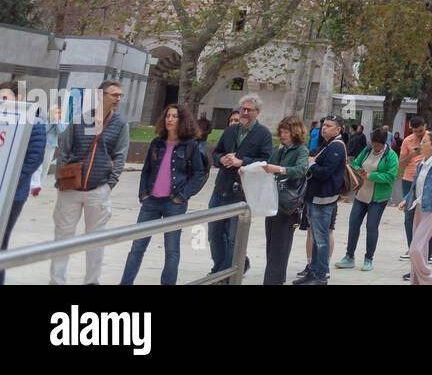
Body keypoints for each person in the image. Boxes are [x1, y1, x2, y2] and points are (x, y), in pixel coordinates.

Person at [50, 79, 129, 285]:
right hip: (71, 189)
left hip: (98, 189)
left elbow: (120, 155)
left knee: (96, 239)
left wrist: (110, 183)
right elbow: (65, 149)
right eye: (114, 95)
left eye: (120, 95)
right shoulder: (80, 120)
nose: (118, 99)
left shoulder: (120, 124)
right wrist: (62, 178)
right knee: (63, 236)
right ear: (101, 95)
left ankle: (92, 281)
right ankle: (57, 280)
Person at [120, 104, 209, 285]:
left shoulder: (190, 145)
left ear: (182, 120)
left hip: (174, 203)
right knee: (137, 246)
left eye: (174, 116)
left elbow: (199, 173)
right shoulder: (157, 143)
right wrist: (143, 193)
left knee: (171, 249)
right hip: (151, 202)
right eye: (168, 116)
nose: (170, 119)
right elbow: (146, 170)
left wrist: (182, 196)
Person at [207, 93, 272, 279]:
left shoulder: (263, 134)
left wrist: (241, 162)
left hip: (243, 194)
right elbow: (217, 152)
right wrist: (222, 159)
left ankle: (227, 275)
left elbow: (266, 160)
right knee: (214, 234)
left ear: (257, 112)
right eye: (242, 108)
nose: (244, 112)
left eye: (248, 110)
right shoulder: (231, 130)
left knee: (233, 238)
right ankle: (219, 269)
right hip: (221, 189)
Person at [0, 80, 47, 286]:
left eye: (4, 98)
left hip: (13, 194)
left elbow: (34, 158)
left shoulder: (34, 124)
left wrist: (9, 179)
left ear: (18, 99)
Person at [337, 128, 399, 271]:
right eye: (373, 143)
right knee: (353, 224)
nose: (374, 147)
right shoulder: (367, 149)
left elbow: (391, 176)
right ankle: (349, 256)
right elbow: (356, 163)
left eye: (378, 145)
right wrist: (359, 170)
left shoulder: (391, 156)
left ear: (384, 143)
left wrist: (371, 175)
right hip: (361, 195)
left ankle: (368, 258)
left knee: (371, 227)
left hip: (378, 198)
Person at [295, 114, 346, 285]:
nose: (325, 128)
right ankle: (313, 271)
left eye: (329, 126)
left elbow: (325, 173)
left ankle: (321, 275)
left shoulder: (336, 147)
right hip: (315, 197)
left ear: (338, 130)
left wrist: (311, 164)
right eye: (324, 125)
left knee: (321, 239)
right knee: (316, 237)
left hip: (324, 199)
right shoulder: (327, 144)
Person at [398, 131, 432, 285]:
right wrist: (406, 200)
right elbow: (415, 187)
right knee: (421, 249)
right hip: (419, 208)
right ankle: (416, 281)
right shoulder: (421, 164)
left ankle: (430, 276)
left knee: (415, 248)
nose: (420, 144)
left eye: (424, 142)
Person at [262, 116, 309, 285]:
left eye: (286, 132)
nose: (282, 135)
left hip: (288, 204)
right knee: (272, 244)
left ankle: (271, 281)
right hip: (274, 202)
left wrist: (279, 169)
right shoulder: (280, 150)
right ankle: (276, 280)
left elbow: (302, 169)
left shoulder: (301, 150)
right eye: (281, 132)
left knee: (280, 246)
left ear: (295, 132)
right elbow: (267, 165)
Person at [397, 116, 428, 258]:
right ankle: (411, 247)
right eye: (416, 131)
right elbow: (401, 164)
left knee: (426, 216)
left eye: (421, 130)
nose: (419, 134)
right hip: (409, 179)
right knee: (409, 215)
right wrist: (413, 155)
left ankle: (426, 249)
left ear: (425, 126)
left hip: (427, 180)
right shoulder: (407, 141)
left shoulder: (431, 138)